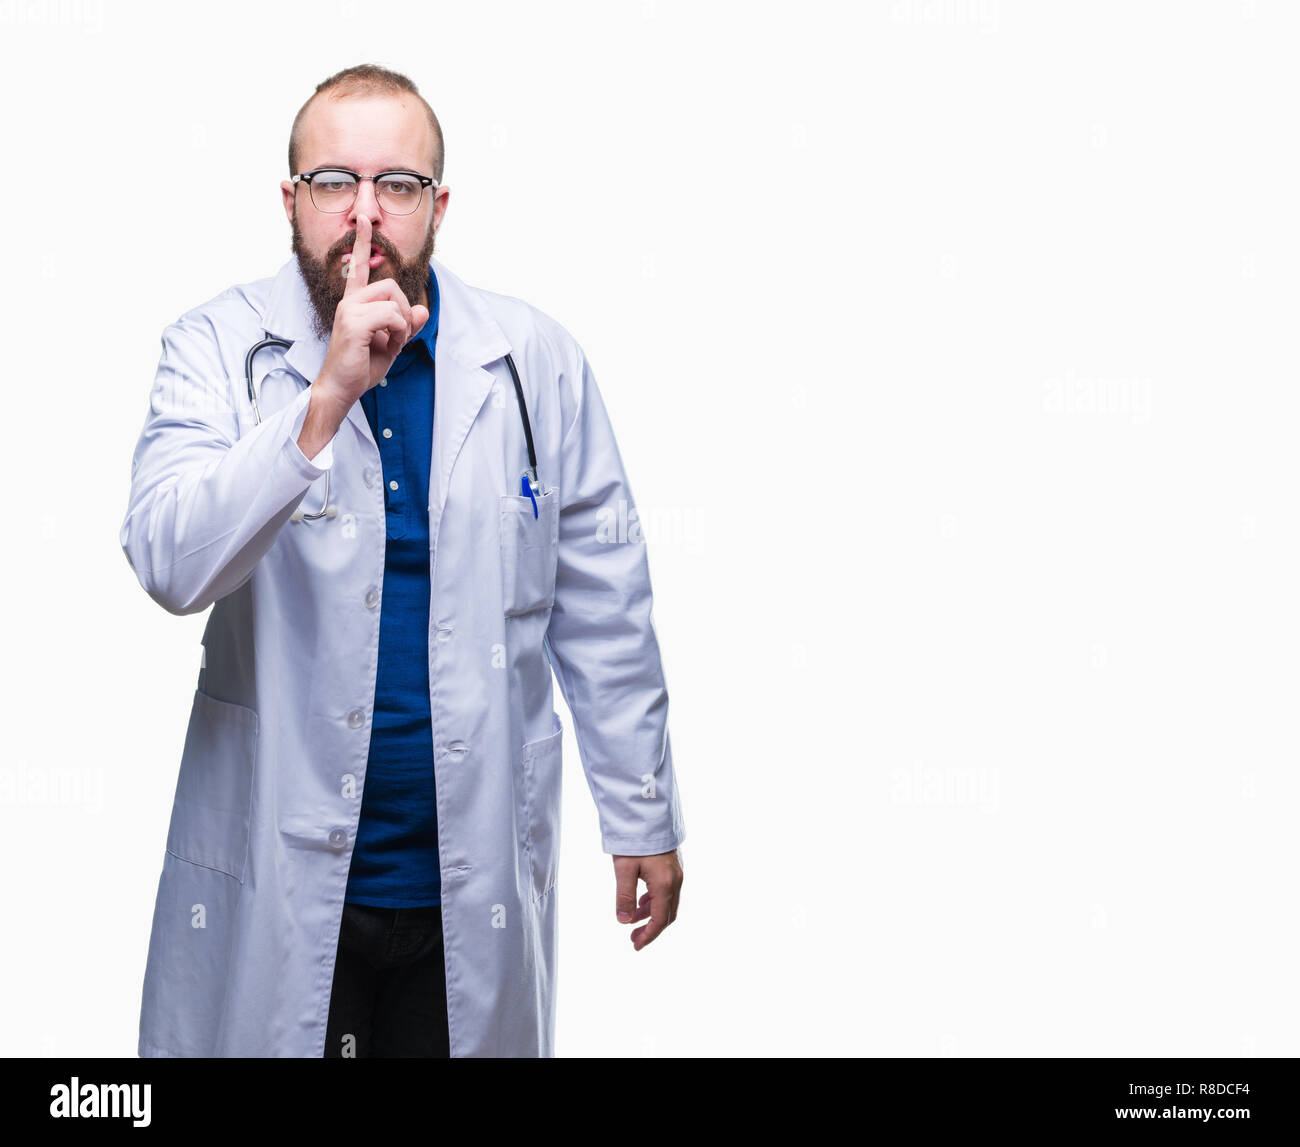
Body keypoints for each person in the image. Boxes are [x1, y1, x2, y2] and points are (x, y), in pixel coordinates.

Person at [119, 63, 685, 1058]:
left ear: (440, 205)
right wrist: (323, 400)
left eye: (399, 186)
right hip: (283, 884)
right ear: (291, 200)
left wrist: (639, 807)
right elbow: (171, 560)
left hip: (468, 883)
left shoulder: (532, 361)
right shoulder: (215, 348)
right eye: (334, 182)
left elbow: (603, 599)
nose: (366, 215)